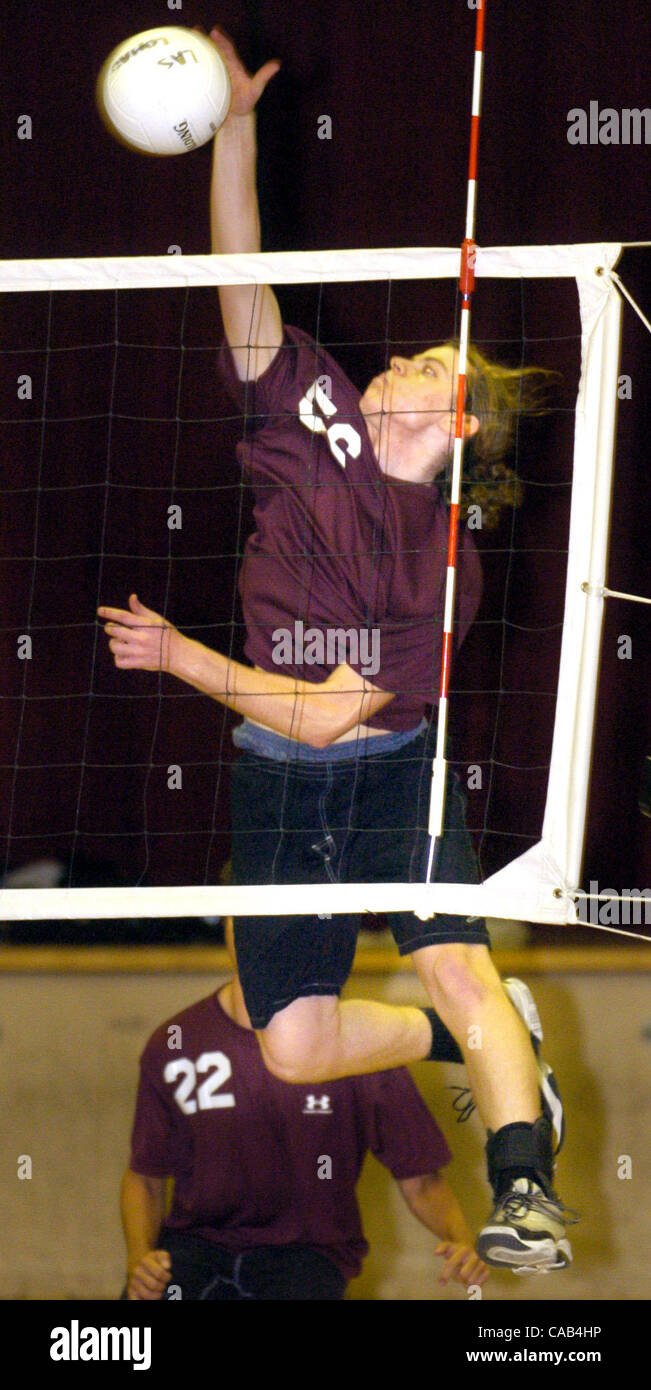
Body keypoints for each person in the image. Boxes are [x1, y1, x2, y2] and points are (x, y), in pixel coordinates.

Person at [99, 25, 574, 1273]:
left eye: (424, 363)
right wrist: (238, 131)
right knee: (296, 1045)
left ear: (454, 418)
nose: (397, 362)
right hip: (278, 773)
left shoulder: (441, 573)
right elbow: (238, 277)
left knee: (461, 968)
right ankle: (455, 1038)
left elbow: (329, 716)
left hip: (381, 772)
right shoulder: (309, 407)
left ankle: (527, 1187)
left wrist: (182, 657)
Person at [121, 924, 489, 1300]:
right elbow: (144, 1177)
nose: (265, 932)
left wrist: (460, 1240)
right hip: (195, 1247)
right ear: (226, 922)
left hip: (307, 1253)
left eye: (283, 916)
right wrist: (139, 1258)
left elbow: (422, 1180)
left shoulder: (363, 1044)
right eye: (250, 916)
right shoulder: (176, 1042)